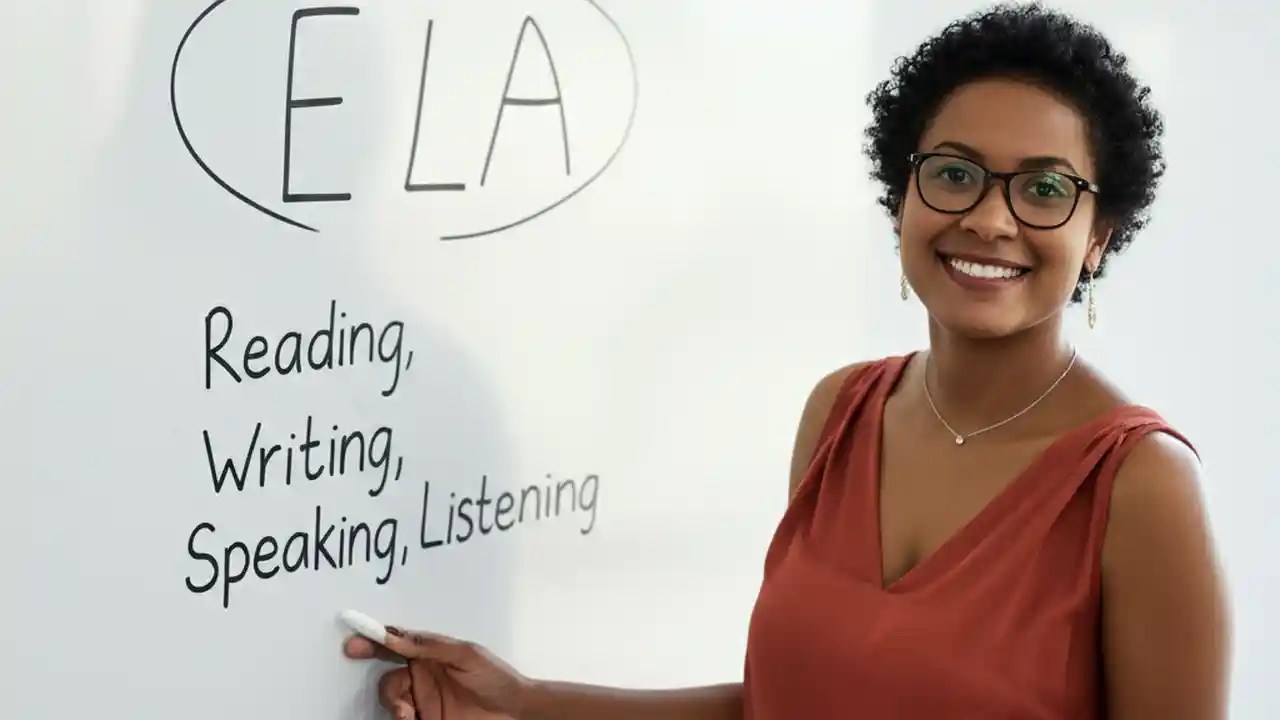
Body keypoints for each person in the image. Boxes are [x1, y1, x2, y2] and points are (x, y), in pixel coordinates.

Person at [342, 4, 1232, 718]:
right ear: (903, 197)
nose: (991, 220)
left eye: (1044, 189)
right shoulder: (842, 412)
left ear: (1099, 238)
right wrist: (527, 704)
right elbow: (792, 704)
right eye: (954, 173)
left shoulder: (1139, 485)